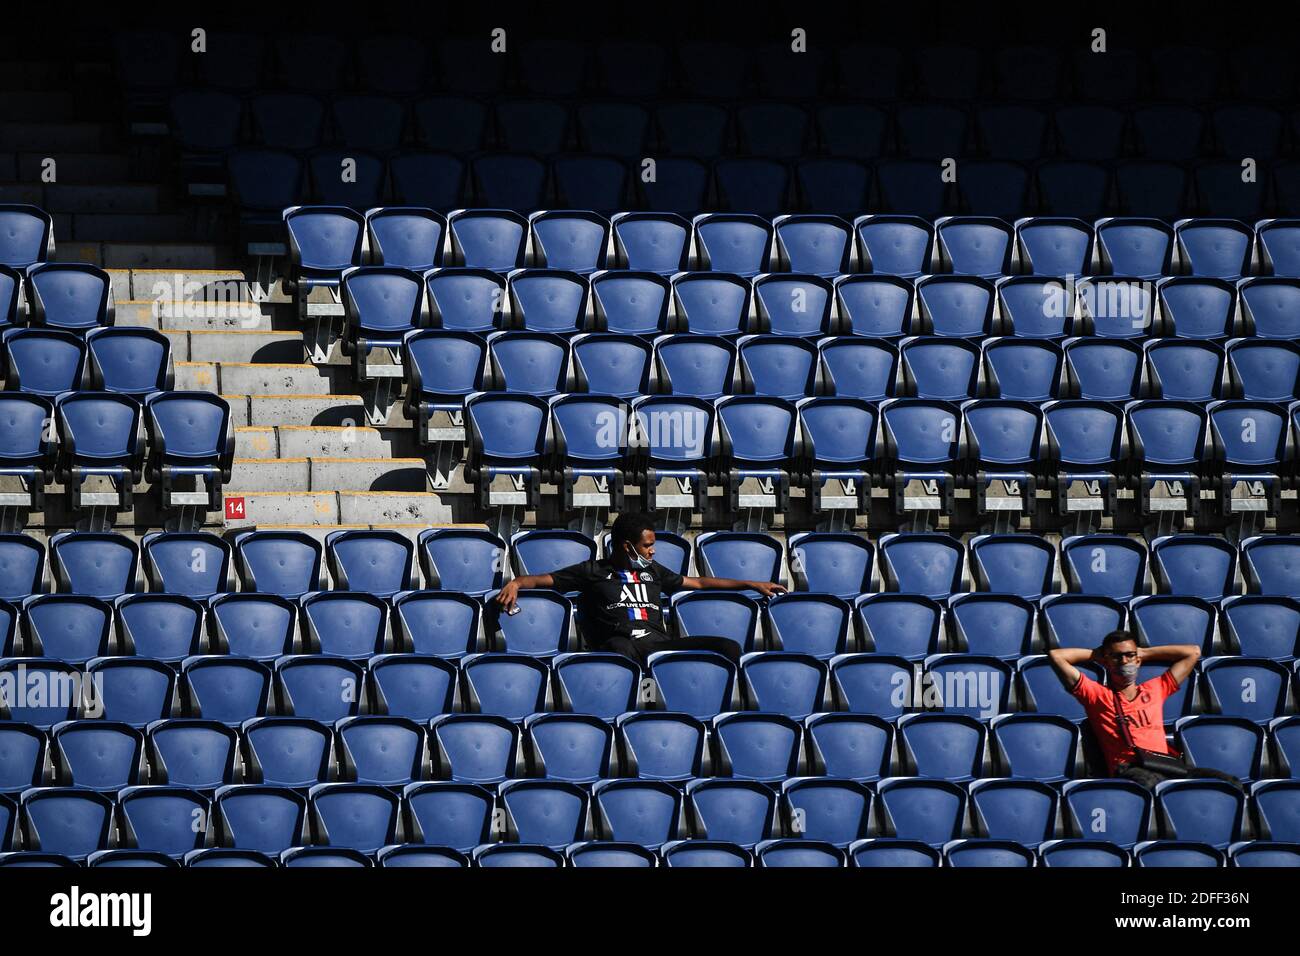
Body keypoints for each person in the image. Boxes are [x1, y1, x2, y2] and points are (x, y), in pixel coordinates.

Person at [493, 512, 786, 667]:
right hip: (622, 645)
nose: (653, 551)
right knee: (618, 647)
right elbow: (544, 580)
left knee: (728, 647)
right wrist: (516, 583)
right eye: (647, 545)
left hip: (659, 644)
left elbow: (698, 583)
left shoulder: (653, 572)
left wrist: (751, 583)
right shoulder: (593, 571)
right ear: (626, 546)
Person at [1047, 630, 1241, 790]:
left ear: (1138, 660)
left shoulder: (1155, 688)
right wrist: (1098, 655)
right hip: (1130, 770)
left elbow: (1193, 652)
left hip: (1165, 765)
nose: (1124, 661)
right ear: (1106, 662)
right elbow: (1057, 656)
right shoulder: (1097, 696)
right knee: (1151, 784)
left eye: (1129, 656)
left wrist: (1143, 653)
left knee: (1228, 783)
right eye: (1116, 657)